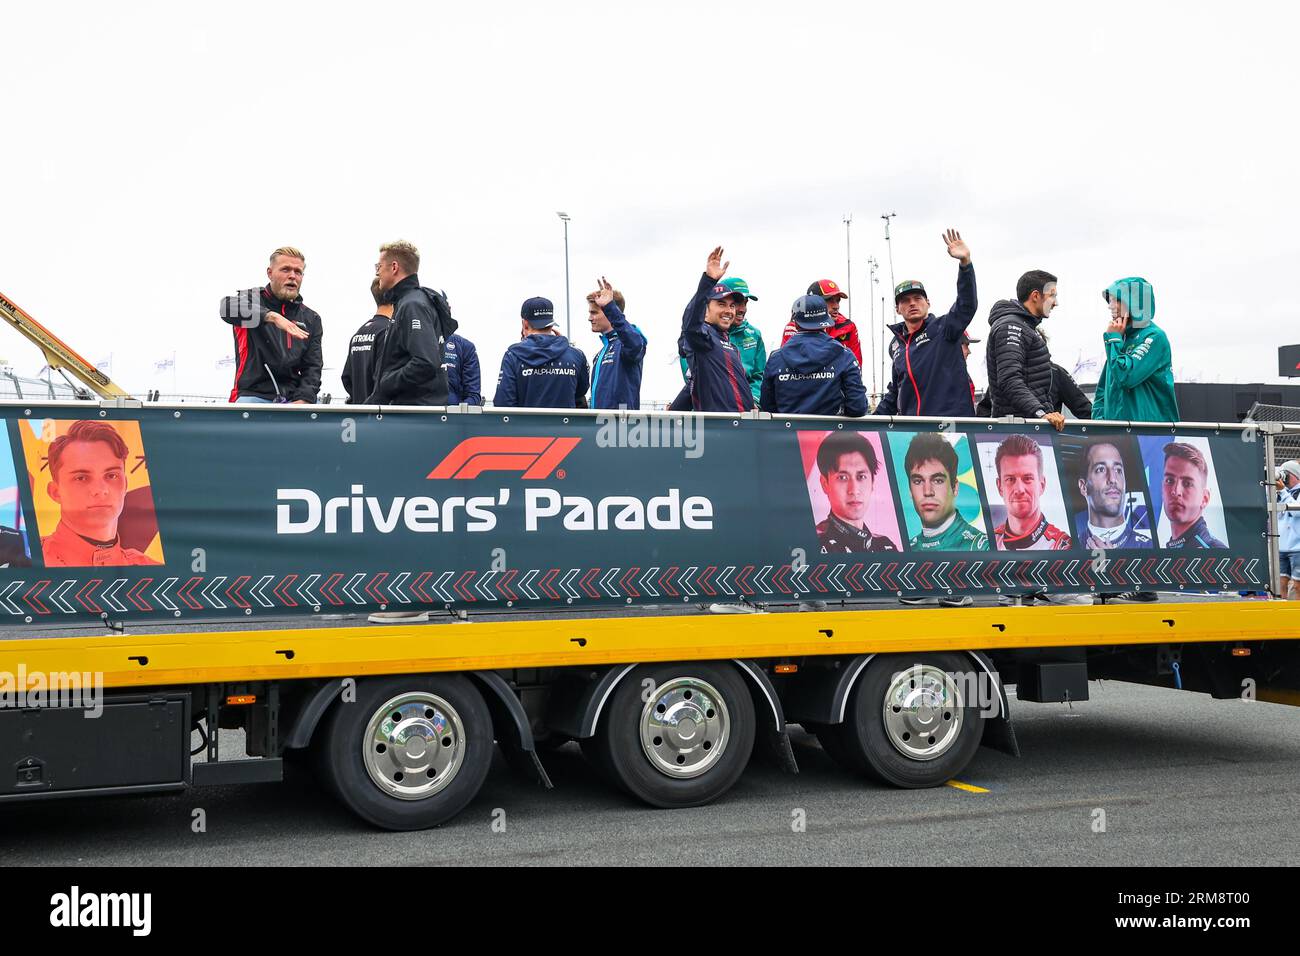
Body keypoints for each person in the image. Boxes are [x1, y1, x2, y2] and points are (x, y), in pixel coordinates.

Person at [874, 229, 978, 417]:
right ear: (897, 308)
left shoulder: (945, 327)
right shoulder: (896, 344)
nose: (912, 303)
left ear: (928, 303)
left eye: (917, 298)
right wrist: (866, 423)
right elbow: (895, 392)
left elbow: (967, 304)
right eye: (905, 300)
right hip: (914, 432)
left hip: (952, 429)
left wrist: (965, 265)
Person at [40, 421, 161, 567]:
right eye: (81, 478)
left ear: (125, 486)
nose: (100, 490)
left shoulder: (152, 570)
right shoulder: (24, 558)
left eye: (111, 476)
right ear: (55, 492)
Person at [219, 246, 323, 404]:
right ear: (270, 273)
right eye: (285, 269)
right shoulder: (252, 300)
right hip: (253, 394)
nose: (292, 276)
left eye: (298, 271)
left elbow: (312, 367)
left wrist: (303, 399)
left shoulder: (311, 318)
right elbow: (227, 308)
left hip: (293, 400)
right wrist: (271, 316)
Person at [897, 433, 985, 607]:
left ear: (955, 487)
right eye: (918, 480)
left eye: (937, 480)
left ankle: (959, 589)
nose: (927, 491)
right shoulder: (908, 547)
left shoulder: (980, 544)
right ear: (909, 489)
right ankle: (928, 588)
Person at [366, 240, 458, 406]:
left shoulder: (412, 305)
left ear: (394, 267)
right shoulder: (406, 302)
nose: (377, 273)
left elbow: (425, 363)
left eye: (378, 267)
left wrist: (386, 382)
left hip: (414, 415)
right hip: (412, 414)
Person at [759, 295, 867, 416]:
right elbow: (857, 406)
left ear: (795, 323)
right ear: (826, 321)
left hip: (788, 432)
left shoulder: (776, 359)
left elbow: (767, 406)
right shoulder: (844, 356)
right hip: (834, 433)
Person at [984, 270, 1064, 430]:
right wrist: (1041, 414)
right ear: (1035, 296)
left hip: (1029, 425)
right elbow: (1009, 380)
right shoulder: (1012, 326)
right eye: (1052, 296)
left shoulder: (1025, 326)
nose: (1056, 303)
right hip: (1020, 429)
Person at [1093, 277, 1179, 422]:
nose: (1110, 306)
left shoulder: (1155, 336)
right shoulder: (1121, 338)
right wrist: (1100, 424)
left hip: (1150, 436)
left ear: (1133, 303)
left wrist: (1113, 340)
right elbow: (1102, 391)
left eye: (1116, 300)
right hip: (1117, 437)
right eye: (1110, 300)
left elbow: (1126, 377)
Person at [679, 247, 752, 412]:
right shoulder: (702, 338)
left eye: (732, 306)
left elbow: (692, 383)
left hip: (743, 427)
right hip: (720, 428)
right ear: (705, 311)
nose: (729, 311)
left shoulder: (730, 345)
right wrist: (708, 281)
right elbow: (690, 325)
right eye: (721, 304)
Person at [493, 297, 590, 408]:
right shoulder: (576, 355)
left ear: (525, 323)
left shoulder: (513, 356)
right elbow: (580, 393)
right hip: (565, 425)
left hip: (524, 425)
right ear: (551, 324)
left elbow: (503, 403)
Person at [681, 277, 764, 403]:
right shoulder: (699, 336)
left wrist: (753, 402)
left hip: (747, 411)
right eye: (737, 303)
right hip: (714, 408)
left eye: (745, 303)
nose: (742, 309)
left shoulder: (754, 335)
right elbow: (692, 378)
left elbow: (760, 376)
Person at [813, 432, 899, 554]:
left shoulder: (885, 546)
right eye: (842, 477)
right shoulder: (815, 543)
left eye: (861, 476)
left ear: (872, 482)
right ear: (825, 484)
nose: (854, 490)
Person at [992, 434, 1071, 551]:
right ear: (999, 487)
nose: (1019, 489)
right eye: (1010, 479)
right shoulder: (988, 543)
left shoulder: (1064, 547)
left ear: (1042, 485)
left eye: (1027, 478)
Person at [1074, 440, 1153, 550]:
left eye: (1118, 470)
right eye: (1100, 469)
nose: (1112, 479)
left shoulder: (1149, 547)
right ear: (1083, 487)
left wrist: (1113, 565)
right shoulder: (1070, 547)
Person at [587, 279, 647, 410]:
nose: (589, 318)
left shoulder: (627, 343)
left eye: (594, 312)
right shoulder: (602, 351)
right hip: (599, 424)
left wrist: (609, 307)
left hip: (621, 426)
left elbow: (635, 344)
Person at [781, 279, 861, 365]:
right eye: (830, 300)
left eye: (838, 301)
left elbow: (856, 366)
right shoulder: (795, 326)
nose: (836, 306)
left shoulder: (848, 327)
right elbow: (786, 365)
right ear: (813, 302)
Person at [1161, 442, 1226, 548]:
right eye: (1169, 480)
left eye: (1187, 483)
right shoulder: (1165, 551)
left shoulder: (1217, 553)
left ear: (1204, 498)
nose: (1176, 491)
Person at [342, 279, 393, 404]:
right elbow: (387, 379)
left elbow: (346, 377)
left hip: (360, 413)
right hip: (381, 415)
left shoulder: (358, 333)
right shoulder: (389, 331)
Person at [1276, 461, 1300, 599]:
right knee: (1280, 585)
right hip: (1281, 547)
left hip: (1297, 548)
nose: (1282, 477)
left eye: (1285, 473)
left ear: (1294, 475)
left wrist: (1283, 492)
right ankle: (1281, 616)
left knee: (1297, 586)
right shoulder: (1281, 492)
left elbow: (1297, 512)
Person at [443, 331, 483, 406]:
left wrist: (460, 412)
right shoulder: (416, 343)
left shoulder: (464, 346)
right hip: (418, 412)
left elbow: (473, 395)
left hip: (453, 414)